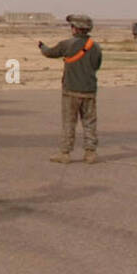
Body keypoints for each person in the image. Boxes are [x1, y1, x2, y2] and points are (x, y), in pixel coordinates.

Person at [39, 14, 102, 163]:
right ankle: (90, 153)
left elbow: (50, 53)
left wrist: (42, 47)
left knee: (69, 122)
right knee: (89, 122)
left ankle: (65, 154)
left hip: (71, 90)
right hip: (89, 90)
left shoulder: (67, 44)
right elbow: (96, 65)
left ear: (76, 29)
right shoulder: (96, 46)